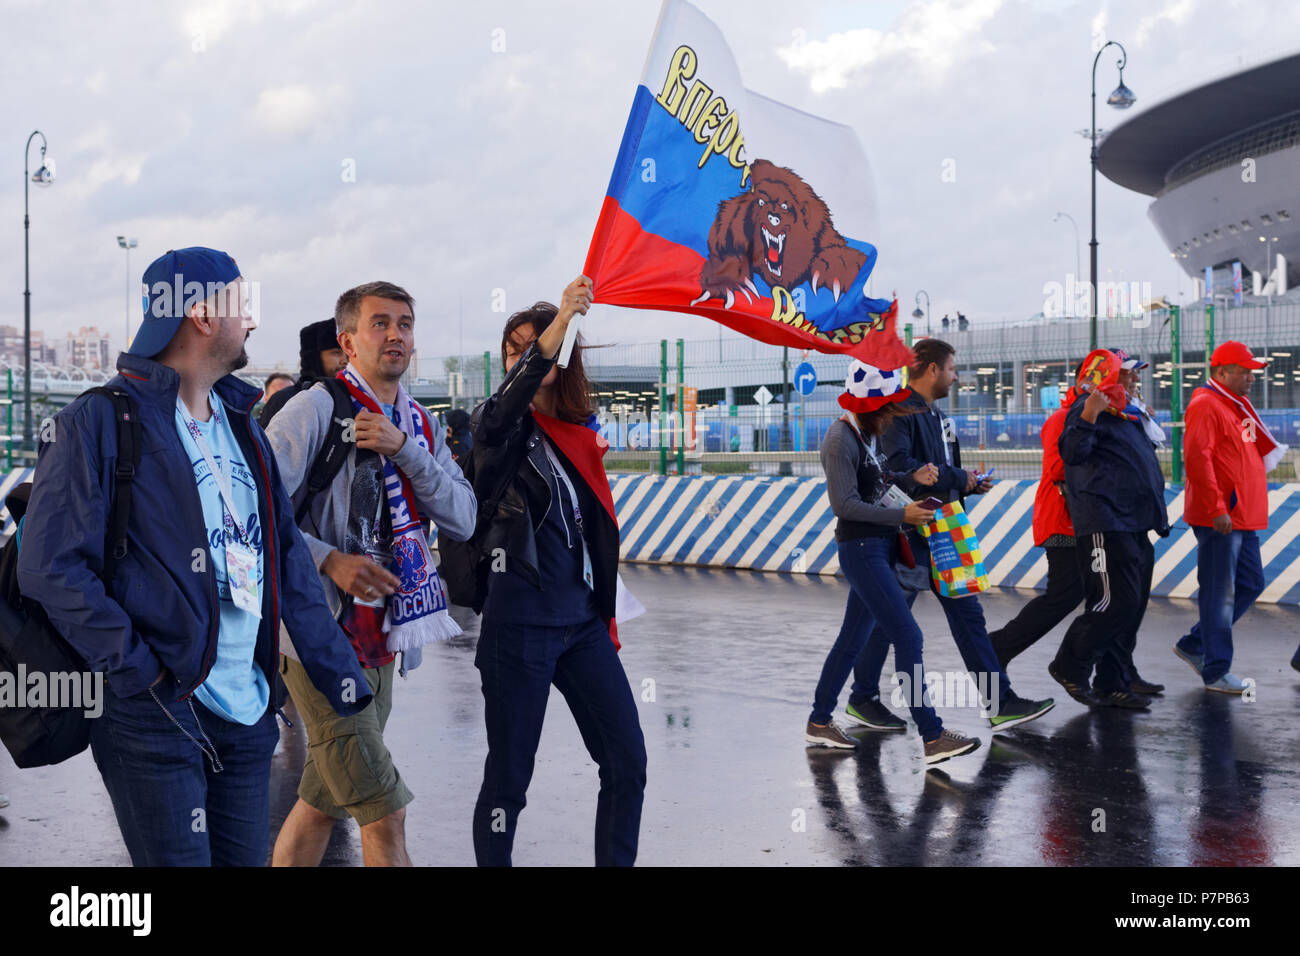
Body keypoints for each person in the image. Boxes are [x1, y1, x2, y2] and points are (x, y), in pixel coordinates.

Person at [18, 247, 372, 866]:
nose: (254, 322)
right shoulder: (97, 423)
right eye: (244, 305)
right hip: (155, 715)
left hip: (246, 710)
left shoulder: (244, 428)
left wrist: (338, 670)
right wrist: (140, 671)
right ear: (203, 315)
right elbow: (49, 566)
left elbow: (286, 557)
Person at [266, 281, 476, 866]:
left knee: (321, 804)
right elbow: (251, 510)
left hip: (385, 643)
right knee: (385, 811)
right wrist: (328, 560)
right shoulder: (314, 409)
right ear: (348, 340)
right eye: (379, 323)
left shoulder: (421, 425)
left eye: (405, 324)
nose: (395, 335)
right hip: (319, 643)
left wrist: (404, 448)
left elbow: (463, 517)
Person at [466, 276, 646, 866]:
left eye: (540, 343)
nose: (528, 354)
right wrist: (556, 326)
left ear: (566, 353)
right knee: (509, 782)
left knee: (626, 762)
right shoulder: (498, 431)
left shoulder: (581, 435)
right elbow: (498, 417)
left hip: (582, 625)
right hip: (518, 626)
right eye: (516, 348)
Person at [849, 338, 1055, 731]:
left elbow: (936, 469)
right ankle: (863, 698)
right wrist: (960, 477)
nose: (955, 377)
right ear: (931, 370)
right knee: (890, 619)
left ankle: (1000, 703)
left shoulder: (934, 414)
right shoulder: (899, 412)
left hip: (944, 528)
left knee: (967, 617)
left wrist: (967, 485)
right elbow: (901, 468)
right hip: (911, 531)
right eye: (951, 369)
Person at [805, 359, 981, 766]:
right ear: (871, 409)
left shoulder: (864, 435)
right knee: (909, 637)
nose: (892, 419)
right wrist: (902, 515)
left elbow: (876, 487)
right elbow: (845, 505)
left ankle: (818, 721)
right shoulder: (840, 439)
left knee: (851, 641)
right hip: (862, 551)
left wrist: (910, 482)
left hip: (879, 547)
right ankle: (933, 735)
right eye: (888, 411)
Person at [1049, 349, 1170, 709]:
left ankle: (1114, 681)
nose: (1135, 380)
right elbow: (1071, 451)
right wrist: (1088, 415)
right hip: (1105, 522)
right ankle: (1069, 665)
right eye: (1128, 374)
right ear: (1106, 376)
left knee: (1132, 606)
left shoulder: (1125, 413)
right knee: (1114, 602)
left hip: (1134, 522)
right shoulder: (1087, 407)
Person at [1173, 341, 1280, 694]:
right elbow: (1198, 460)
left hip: (1241, 515)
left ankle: (1194, 645)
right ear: (1220, 372)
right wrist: (1217, 507)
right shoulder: (1207, 405)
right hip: (1222, 515)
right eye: (1244, 371)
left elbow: (1242, 455)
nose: (1251, 378)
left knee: (1249, 584)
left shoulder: (1234, 405)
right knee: (1221, 594)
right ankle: (1215, 669)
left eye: (1252, 371)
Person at [989, 361, 1087, 673]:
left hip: (1082, 520)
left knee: (1090, 596)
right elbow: (1058, 468)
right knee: (1064, 595)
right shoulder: (1063, 418)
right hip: (1063, 520)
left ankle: (1101, 671)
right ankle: (999, 647)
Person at [257, 318, 349, 428]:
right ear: (315, 358)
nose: (345, 360)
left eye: (347, 353)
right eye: (336, 353)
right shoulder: (284, 400)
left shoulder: (355, 397)